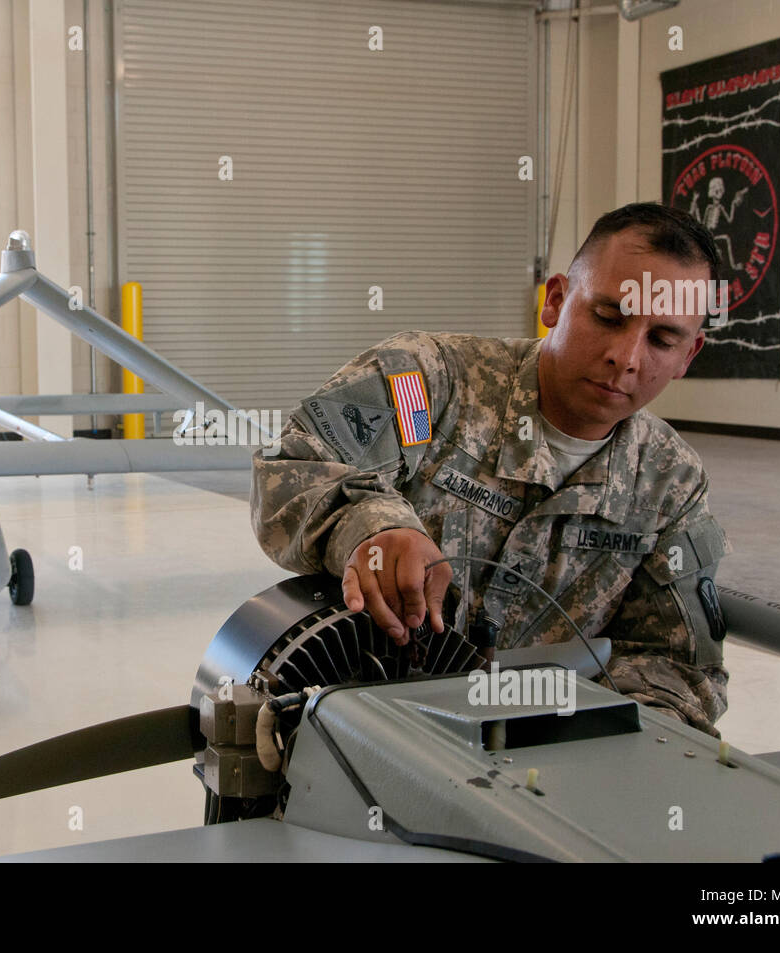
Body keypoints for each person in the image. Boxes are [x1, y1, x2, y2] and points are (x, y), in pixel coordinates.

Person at [250, 203, 732, 736]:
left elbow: (674, 665)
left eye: (662, 339)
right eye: (607, 317)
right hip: (358, 738)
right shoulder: (429, 383)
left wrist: (617, 744)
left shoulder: (671, 484)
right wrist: (376, 529)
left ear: (690, 354)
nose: (626, 356)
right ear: (556, 301)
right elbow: (292, 465)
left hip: (537, 773)